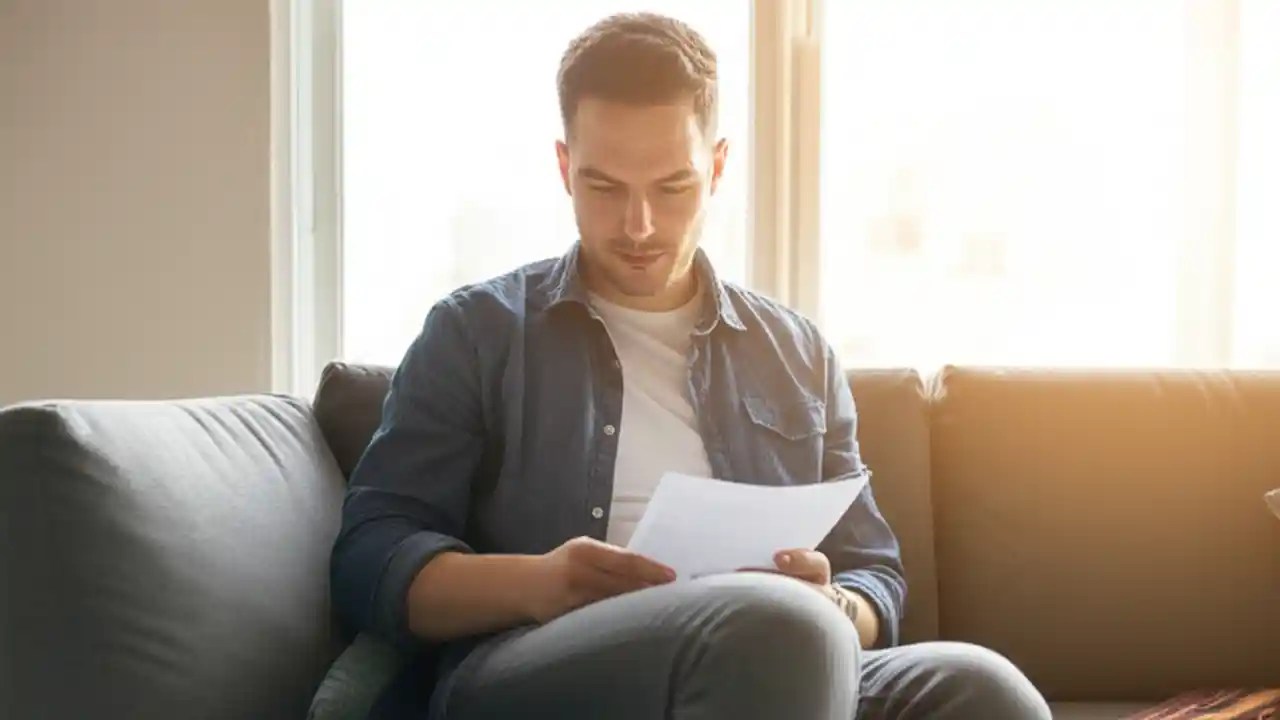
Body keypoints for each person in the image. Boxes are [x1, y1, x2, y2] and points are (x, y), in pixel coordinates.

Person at [331, 12, 1052, 720]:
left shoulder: (796, 353)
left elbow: (876, 578)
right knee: (778, 628)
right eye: (604, 187)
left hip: (779, 652)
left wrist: (833, 601)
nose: (638, 227)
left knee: (982, 688)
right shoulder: (477, 333)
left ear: (716, 167)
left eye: (672, 188)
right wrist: (538, 583)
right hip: (533, 658)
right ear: (563, 168)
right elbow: (370, 557)